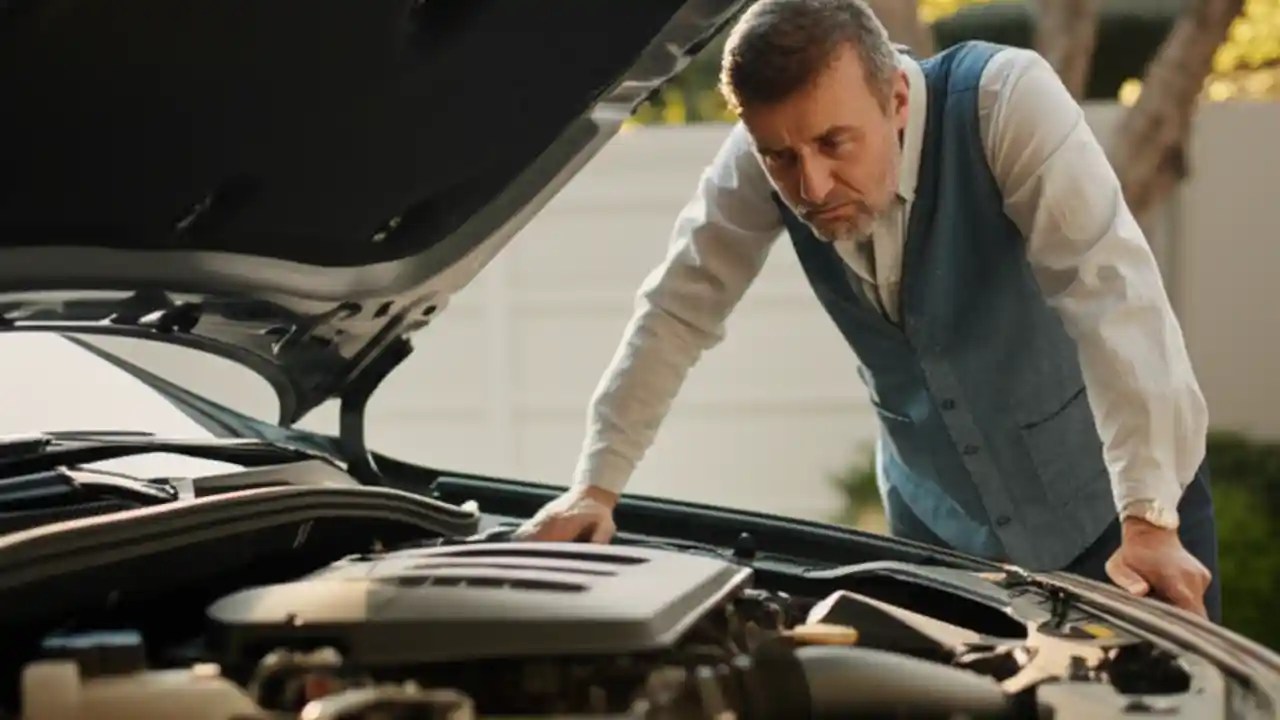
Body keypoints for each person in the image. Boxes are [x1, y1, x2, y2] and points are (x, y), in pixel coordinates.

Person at [515, 0, 1220, 621]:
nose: (811, 184)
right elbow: (676, 310)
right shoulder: (760, 162)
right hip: (939, 537)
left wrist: (1151, 518)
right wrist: (595, 486)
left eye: (832, 144)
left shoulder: (1005, 102)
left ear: (897, 99)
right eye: (780, 157)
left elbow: (1115, 299)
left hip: (1119, 516)